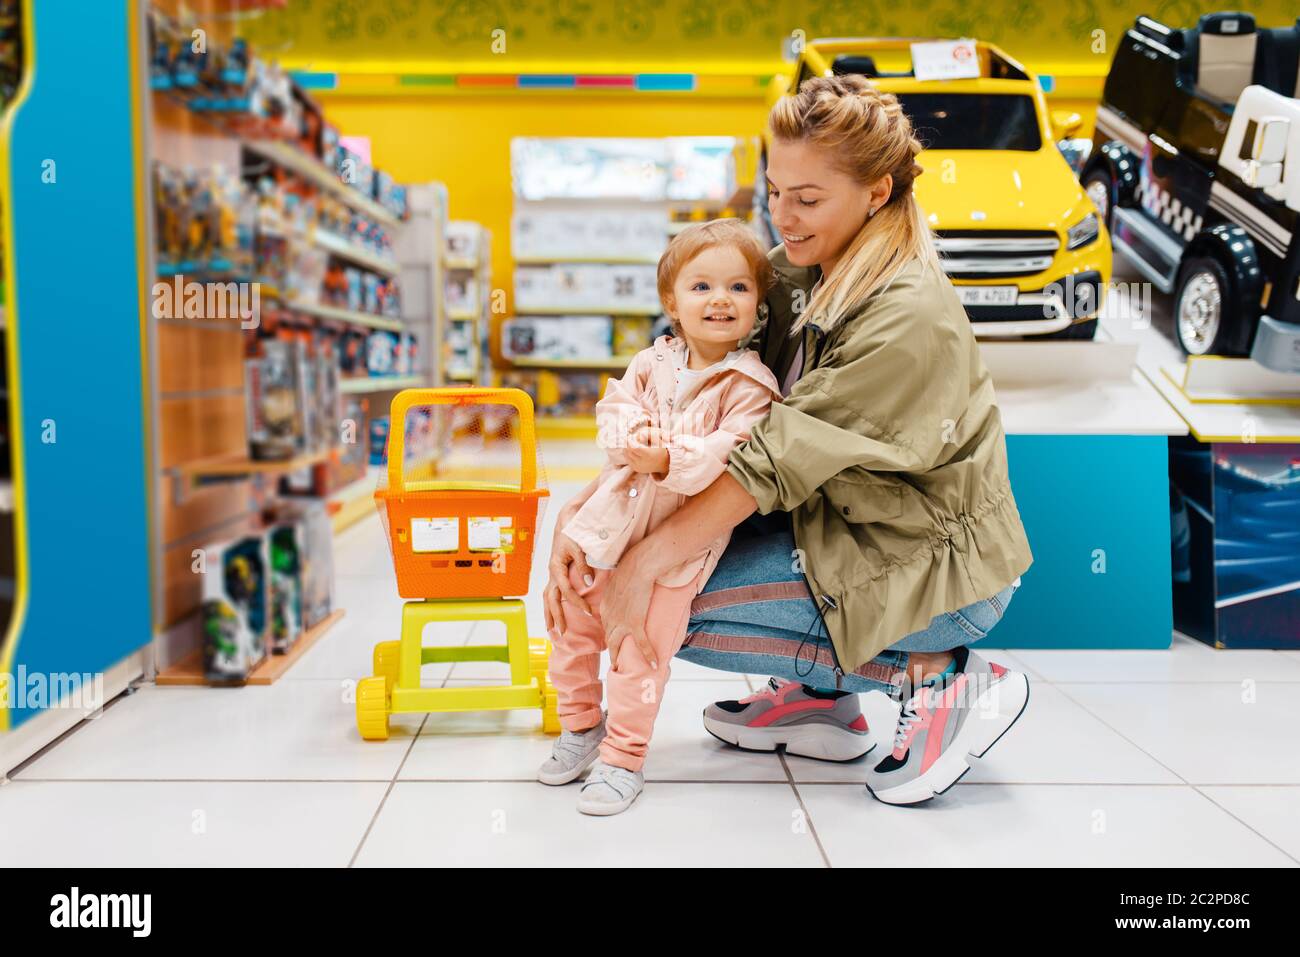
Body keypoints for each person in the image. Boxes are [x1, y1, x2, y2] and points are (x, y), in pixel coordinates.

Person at [545, 74, 1035, 807]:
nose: (783, 216)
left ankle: (943, 677)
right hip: (839, 524)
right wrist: (586, 515)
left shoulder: (907, 314)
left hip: (933, 566)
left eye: (807, 200)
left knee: (660, 593)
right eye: (775, 191)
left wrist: (640, 558)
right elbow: (674, 387)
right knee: (623, 560)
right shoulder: (789, 275)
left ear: (876, 191)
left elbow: (770, 463)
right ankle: (818, 698)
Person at [539, 219, 782, 815]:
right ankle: (579, 725)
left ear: (758, 302)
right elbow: (613, 411)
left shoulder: (752, 384)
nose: (720, 300)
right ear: (671, 302)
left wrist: (669, 455)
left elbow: (732, 453)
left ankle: (624, 757)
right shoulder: (653, 361)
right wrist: (632, 435)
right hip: (608, 524)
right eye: (701, 287)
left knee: (638, 651)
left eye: (738, 287)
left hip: (676, 546)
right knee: (571, 626)